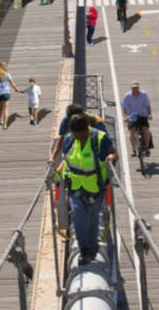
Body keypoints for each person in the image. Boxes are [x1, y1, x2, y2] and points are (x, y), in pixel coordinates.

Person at [60, 113, 116, 265]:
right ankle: (84, 250)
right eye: (75, 134)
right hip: (76, 186)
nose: (77, 137)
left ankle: (93, 248)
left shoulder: (100, 138)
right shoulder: (69, 139)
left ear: (86, 129)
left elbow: (113, 152)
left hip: (95, 187)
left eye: (80, 135)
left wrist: (111, 158)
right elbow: (65, 159)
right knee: (78, 216)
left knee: (93, 218)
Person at [122, 81, 152, 156]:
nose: (135, 89)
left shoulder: (143, 94)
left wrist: (149, 114)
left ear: (138, 88)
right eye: (134, 88)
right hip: (132, 117)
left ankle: (147, 148)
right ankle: (133, 150)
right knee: (132, 132)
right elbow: (124, 108)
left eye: (136, 88)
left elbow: (148, 106)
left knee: (146, 130)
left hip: (142, 115)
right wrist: (125, 117)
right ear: (131, 88)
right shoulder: (127, 96)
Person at [0, 61, 21, 130]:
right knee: (6, 109)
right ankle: (5, 124)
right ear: (5, 66)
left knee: (0, 107)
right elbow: (12, 84)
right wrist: (17, 89)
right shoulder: (7, 74)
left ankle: (1, 120)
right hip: (6, 93)